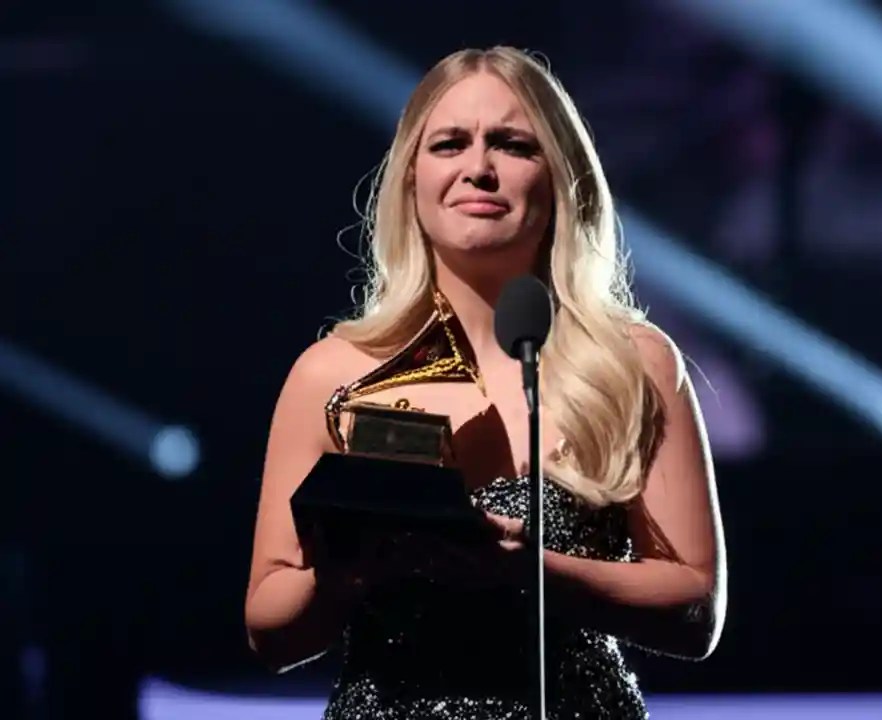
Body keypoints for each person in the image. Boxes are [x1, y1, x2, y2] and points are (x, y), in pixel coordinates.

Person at [244, 46, 726, 718]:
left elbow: (695, 610)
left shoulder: (634, 364)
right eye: (449, 144)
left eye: (511, 144)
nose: (479, 169)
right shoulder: (333, 374)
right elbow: (268, 626)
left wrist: (532, 572)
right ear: (411, 178)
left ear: (561, 179)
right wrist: (355, 572)